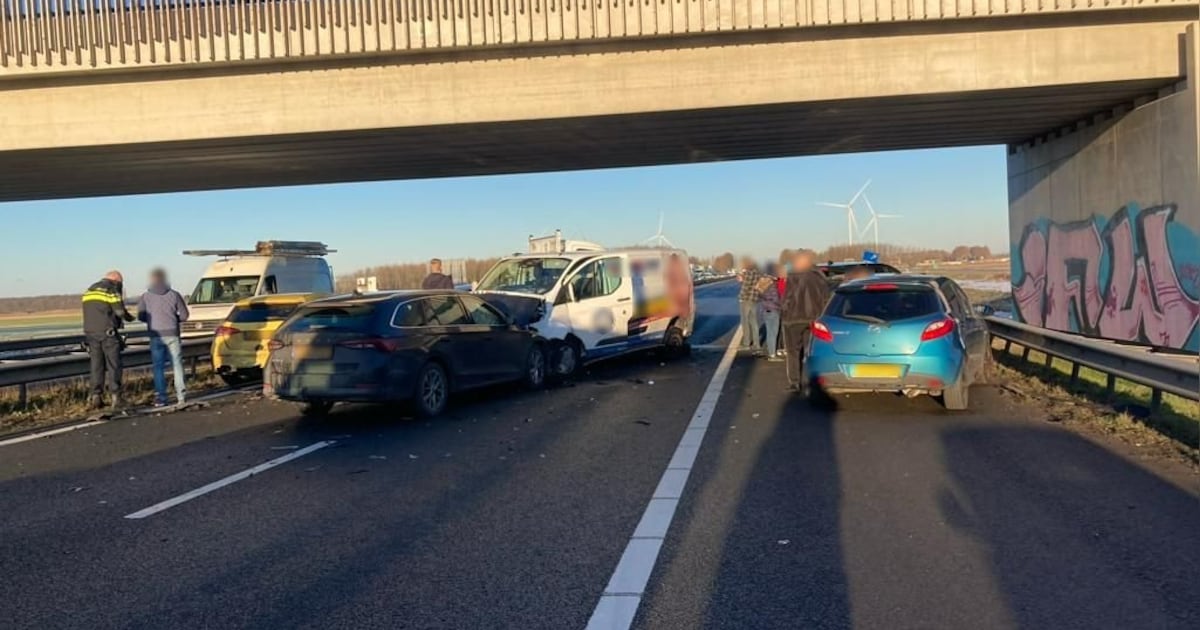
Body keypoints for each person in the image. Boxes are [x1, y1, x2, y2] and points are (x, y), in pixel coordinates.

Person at [82, 271, 136, 409]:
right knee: (114, 365)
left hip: (91, 333)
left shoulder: (89, 290)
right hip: (108, 333)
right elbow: (119, 311)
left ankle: (96, 397)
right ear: (117, 281)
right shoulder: (111, 290)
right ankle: (116, 397)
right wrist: (130, 318)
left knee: (96, 365)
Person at [137, 268, 191, 407]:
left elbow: (141, 316)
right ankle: (181, 396)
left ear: (152, 279)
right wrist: (173, 319)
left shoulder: (146, 297)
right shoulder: (174, 295)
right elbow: (185, 315)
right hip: (172, 333)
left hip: (156, 334)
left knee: (158, 367)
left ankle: (161, 397)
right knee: (177, 365)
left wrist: (152, 320)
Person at [782, 250, 832, 392]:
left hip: (793, 319)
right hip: (814, 318)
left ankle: (795, 382)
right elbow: (826, 298)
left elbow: (787, 299)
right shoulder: (820, 276)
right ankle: (813, 382)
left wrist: (784, 313)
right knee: (811, 351)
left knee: (793, 351)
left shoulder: (793, 276)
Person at [736, 257, 764, 353]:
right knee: (753, 321)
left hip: (746, 300)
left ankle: (746, 343)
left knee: (745, 322)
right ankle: (757, 343)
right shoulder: (758, 274)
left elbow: (745, 287)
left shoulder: (748, 273)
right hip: (754, 299)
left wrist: (740, 297)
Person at [760, 264, 783, 362]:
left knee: (770, 333)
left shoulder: (762, 284)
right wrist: (781, 305)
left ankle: (771, 352)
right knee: (773, 333)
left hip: (766, 310)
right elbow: (775, 299)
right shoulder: (772, 285)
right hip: (774, 310)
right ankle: (772, 354)